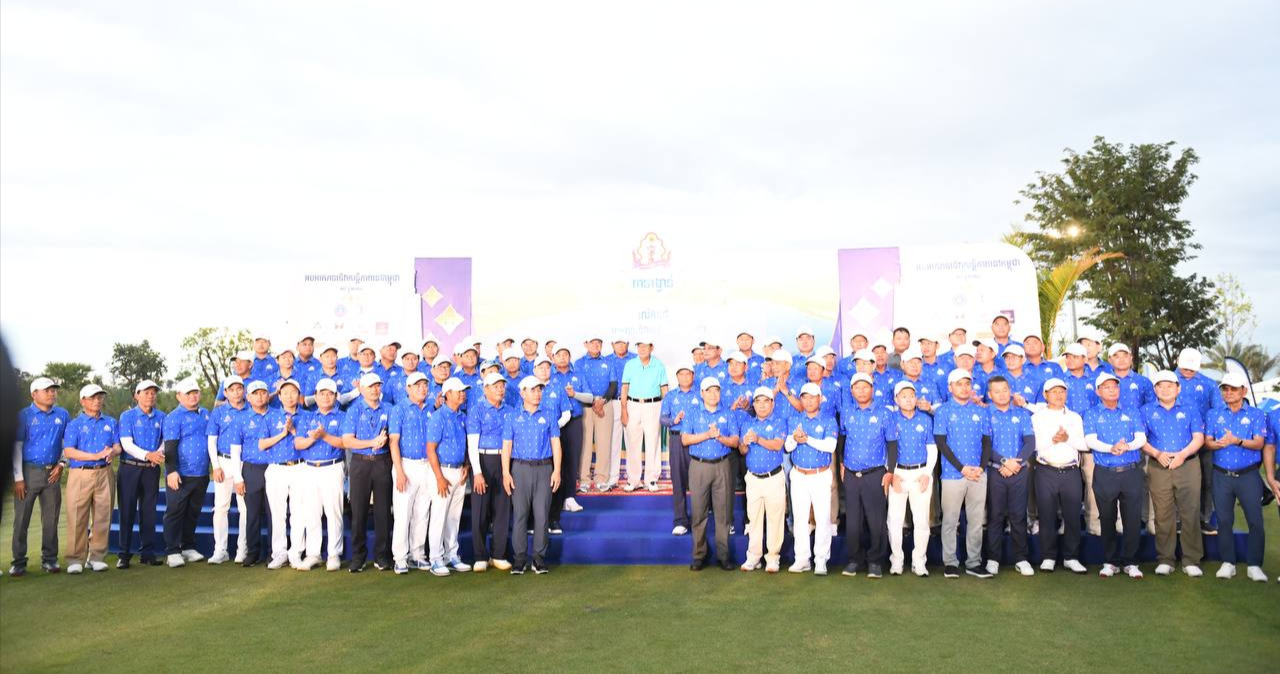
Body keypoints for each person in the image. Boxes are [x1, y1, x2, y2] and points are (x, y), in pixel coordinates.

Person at [1204, 372, 1269, 582]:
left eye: (1233, 389)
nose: (1228, 393)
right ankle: (1228, 562)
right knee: (1224, 520)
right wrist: (1218, 444)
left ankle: (1254, 565)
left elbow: (1259, 443)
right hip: (1221, 475)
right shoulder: (1214, 414)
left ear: (1244, 391)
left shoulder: (1257, 414)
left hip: (1248, 475)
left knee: (1255, 520)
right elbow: (1208, 442)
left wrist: (1237, 441)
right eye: (1225, 389)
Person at [1141, 370, 1205, 577]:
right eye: (1160, 386)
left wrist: (1182, 455)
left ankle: (1191, 559)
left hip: (1187, 464)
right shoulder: (1146, 410)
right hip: (1159, 465)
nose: (1165, 389)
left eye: (1170, 385)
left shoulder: (1190, 409)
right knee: (1163, 514)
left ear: (1178, 388)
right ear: (1155, 389)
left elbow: (1198, 437)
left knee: (1190, 511)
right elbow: (1141, 440)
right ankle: (1165, 559)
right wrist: (1157, 453)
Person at [1084, 372, 1148, 579]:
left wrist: (1126, 446)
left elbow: (1141, 437)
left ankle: (1131, 561)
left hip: (1130, 472)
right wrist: (1111, 448)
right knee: (1107, 518)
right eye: (1106, 387)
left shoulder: (1132, 411)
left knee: (1131, 518)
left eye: (1115, 386)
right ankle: (1110, 561)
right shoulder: (1092, 413)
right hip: (1105, 473)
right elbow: (1091, 440)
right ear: (1098, 391)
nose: (1112, 389)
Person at [839, 373, 898, 579]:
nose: (861, 391)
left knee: (876, 520)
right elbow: (842, 439)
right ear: (852, 390)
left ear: (872, 389)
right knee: (853, 520)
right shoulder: (847, 412)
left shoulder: (884, 413)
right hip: (852, 474)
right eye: (857, 387)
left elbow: (892, 443)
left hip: (875, 473)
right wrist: (841, 463)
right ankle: (854, 559)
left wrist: (890, 471)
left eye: (865, 387)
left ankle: (875, 561)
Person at [502, 376, 563, 575]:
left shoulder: (549, 413)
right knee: (520, 515)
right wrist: (505, 473)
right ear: (522, 393)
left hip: (544, 468)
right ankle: (519, 559)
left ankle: (539, 559)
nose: (537, 393)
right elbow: (507, 446)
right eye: (533, 390)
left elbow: (556, 443)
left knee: (541, 516)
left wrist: (557, 470)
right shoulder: (512, 416)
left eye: (539, 390)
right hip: (520, 468)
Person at [935, 369, 991, 579]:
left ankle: (973, 562)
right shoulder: (943, 411)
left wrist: (982, 467)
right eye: (959, 384)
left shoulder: (981, 411)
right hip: (953, 474)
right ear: (950, 387)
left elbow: (986, 442)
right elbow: (941, 443)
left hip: (977, 473)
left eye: (967, 384)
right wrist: (961, 468)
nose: (964, 387)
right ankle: (950, 562)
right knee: (950, 521)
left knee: (976, 521)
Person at [10, 377, 68, 576]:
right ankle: (18, 562)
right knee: (22, 519)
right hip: (28, 471)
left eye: (53, 390)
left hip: (53, 471)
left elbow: (65, 443)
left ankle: (50, 560)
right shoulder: (24, 415)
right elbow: (16, 446)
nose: (52, 393)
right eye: (47, 390)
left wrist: (62, 463)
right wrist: (18, 477)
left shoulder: (62, 414)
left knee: (51, 519)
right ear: (34, 394)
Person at [1030, 379, 1088, 574]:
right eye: (1053, 392)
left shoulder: (1075, 418)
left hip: (1071, 471)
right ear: (1045, 395)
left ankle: (1071, 557)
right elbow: (1034, 444)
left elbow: (1084, 445)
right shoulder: (1037, 417)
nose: (1058, 395)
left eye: (1062, 391)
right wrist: (1053, 440)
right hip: (1046, 470)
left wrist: (1067, 438)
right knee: (1046, 515)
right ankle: (1048, 556)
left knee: (1072, 516)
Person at [61, 384, 120, 573]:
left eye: (100, 397)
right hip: (81, 473)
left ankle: (96, 556)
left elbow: (117, 445)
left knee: (103, 515)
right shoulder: (74, 424)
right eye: (93, 397)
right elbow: (69, 451)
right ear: (83, 401)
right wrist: (94, 456)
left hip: (105, 472)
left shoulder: (110, 421)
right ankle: (75, 559)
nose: (97, 400)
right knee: (78, 516)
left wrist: (113, 452)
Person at [682, 378, 740, 571]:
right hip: (699, 466)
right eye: (709, 391)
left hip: (722, 465)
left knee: (723, 513)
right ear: (702, 393)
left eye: (716, 390)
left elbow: (735, 441)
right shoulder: (692, 413)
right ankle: (699, 555)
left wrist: (719, 437)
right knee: (698, 512)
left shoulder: (728, 414)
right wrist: (707, 435)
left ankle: (723, 556)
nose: (713, 394)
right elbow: (685, 439)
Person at [982, 377, 1036, 577]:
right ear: (990, 394)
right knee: (995, 516)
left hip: (1019, 472)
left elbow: (1030, 442)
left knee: (1018, 516)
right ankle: (993, 559)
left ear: (1010, 391)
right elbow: (984, 445)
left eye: (1005, 390)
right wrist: (1004, 461)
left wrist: (1015, 463)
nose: (1002, 394)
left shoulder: (1021, 414)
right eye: (997, 391)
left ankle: (1021, 559)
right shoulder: (984, 413)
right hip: (995, 471)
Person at [342, 372, 394, 572]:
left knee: (383, 512)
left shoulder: (388, 408)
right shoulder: (354, 410)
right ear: (362, 389)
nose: (375, 389)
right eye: (371, 386)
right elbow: (348, 440)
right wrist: (372, 442)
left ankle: (382, 556)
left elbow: (395, 433)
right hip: (360, 463)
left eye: (377, 385)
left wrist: (386, 438)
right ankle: (358, 556)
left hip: (382, 462)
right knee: (359, 511)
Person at [785, 383, 838, 575]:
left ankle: (821, 559)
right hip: (799, 474)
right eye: (805, 397)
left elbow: (830, 446)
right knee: (800, 518)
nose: (808, 401)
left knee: (823, 518)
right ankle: (802, 559)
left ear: (819, 399)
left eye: (812, 397)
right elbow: (788, 447)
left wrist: (807, 439)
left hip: (820, 474)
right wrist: (794, 437)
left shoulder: (829, 420)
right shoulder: (795, 420)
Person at [297, 378, 346, 571]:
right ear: (315, 396)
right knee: (312, 512)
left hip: (332, 467)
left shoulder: (342, 417)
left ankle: (334, 554)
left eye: (329, 393)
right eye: (322, 393)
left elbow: (344, 442)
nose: (325, 397)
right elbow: (298, 444)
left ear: (335, 396)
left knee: (334, 512)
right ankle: (313, 554)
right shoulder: (307, 417)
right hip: (310, 468)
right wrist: (313, 438)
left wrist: (324, 436)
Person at [887, 380, 935, 577]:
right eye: (903, 396)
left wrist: (927, 473)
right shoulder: (890, 419)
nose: (908, 400)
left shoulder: (925, 419)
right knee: (895, 520)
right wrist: (891, 472)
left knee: (921, 520)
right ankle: (896, 561)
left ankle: (919, 561)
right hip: (898, 473)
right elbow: (886, 448)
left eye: (911, 396)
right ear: (896, 399)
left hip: (920, 473)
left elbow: (932, 448)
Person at [116, 380, 166, 568]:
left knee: (149, 512)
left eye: (153, 392)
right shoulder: (127, 416)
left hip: (151, 469)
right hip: (130, 467)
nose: (150, 395)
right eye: (146, 392)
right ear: (137, 395)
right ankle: (124, 554)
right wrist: (148, 455)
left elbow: (164, 440)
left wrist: (157, 455)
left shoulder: (162, 416)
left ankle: (147, 553)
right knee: (127, 511)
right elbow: (126, 443)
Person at [161, 379, 211, 567]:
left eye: (195, 392)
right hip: (181, 473)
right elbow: (170, 447)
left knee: (193, 512)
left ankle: (188, 546)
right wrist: (171, 471)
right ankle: (172, 550)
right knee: (175, 512)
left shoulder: (205, 414)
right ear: (179, 396)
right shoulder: (174, 417)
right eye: (188, 393)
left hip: (201, 473)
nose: (193, 396)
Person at [258, 379, 307, 570]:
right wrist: (283, 433)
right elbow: (262, 444)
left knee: (299, 512)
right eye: (285, 393)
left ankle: (296, 552)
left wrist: (293, 431)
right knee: (277, 514)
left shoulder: (307, 417)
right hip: (276, 468)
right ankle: (279, 552)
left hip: (299, 467)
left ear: (299, 395)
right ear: (279, 396)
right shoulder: (270, 417)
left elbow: (307, 441)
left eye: (293, 392)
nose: (289, 396)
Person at [738, 387, 788, 573]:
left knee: (775, 517)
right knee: (754, 518)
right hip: (753, 478)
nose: (761, 405)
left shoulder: (779, 422)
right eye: (758, 401)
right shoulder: (747, 423)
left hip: (773, 476)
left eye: (765, 401)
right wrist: (744, 444)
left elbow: (777, 445)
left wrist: (758, 439)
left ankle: (773, 557)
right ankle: (754, 556)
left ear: (772, 403)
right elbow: (742, 451)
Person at [1174, 347, 1223, 535]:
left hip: (1203, 441)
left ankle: (1204, 519)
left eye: (1192, 368)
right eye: (1185, 367)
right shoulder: (1167, 380)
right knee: (1176, 482)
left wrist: (1210, 435)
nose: (1188, 371)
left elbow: (1216, 410)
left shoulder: (1209, 384)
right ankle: (1177, 519)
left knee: (1207, 481)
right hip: (1174, 441)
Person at [468, 372, 514, 572]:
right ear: (485, 389)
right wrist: (477, 472)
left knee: (502, 509)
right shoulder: (476, 410)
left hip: (504, 461)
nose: (500, 389)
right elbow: (472, 443)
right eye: (495, 386)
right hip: (482, 460)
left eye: (502, 386)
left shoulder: (510, 411)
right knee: (480, 510)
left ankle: (498, 554)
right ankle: (480, 555)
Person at [426, 378, 473, 576]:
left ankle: (451, 555)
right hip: (442, 471)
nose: (462, 394)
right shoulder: (438, 417)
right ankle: (435, 558)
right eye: (458, 391)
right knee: (439, 516)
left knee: (454, 517)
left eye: (463, 391)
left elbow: (464, 446)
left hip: (458, 471)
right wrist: (439, 477)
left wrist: (466, 465)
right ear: (447, 395)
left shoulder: (461, 416)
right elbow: (430, 449)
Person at [388, 371, 433, 574]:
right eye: (417, 385)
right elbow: (393, 441)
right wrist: (399, 470)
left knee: (422, 512)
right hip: (406, 464)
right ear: (408, 388)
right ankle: (400, 557)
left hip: (427, 465)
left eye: (424, 385)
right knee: (403, 512)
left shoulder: (432, 408)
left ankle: (418, 554)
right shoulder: (399, 410)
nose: (422, 388)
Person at [206, 376, 249, 564]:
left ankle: (243, 549)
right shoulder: (218, 412)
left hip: (245, 463)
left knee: (244, 507)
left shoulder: (251, 410)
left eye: (239, 388)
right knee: (221, 507)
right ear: (225, 392)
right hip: (224, 461)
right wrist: (215, 466)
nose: (236, 392)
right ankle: (220, 550)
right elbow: (211, 441)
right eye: (232, 389)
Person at [549, 345, 593, 521]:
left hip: (574, 421)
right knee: (554, 462)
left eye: (565, 354)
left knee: (572, 460)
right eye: (558, 355)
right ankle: (555, 499)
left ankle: (570, 497)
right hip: (554, 425)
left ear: (569, 357)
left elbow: (590, 398)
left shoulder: (578, 375)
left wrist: (575, 394)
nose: (562, 358)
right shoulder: (549, 377)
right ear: (553, 358)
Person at [231, 381, 272, 566]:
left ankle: (274, 552)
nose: (260, 396)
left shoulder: (277, 415)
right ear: (248, 397)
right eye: (255, 393)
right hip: (251, 468)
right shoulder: (241, 419)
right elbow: (235, 450)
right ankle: (253, 552)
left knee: (274, 513)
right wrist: (238, 477)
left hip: (273, 468)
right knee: (252, 513)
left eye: (263, 393)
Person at [619, 339, 668, 492]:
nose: (642, 349)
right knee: (633, 442)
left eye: (645, 346)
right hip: (633, 405)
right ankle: (633, 480)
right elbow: (625, 388)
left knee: (653, 441)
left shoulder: (659, 365)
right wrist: (624, 410)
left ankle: (651, 479)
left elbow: (664, 389)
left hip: (653, 405)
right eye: (639, 346)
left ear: (651, 347)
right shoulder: (630, 364)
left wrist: (666, 410)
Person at [660, 364, 701, 535]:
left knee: (699, 482)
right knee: (678, 480)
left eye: (688, 374)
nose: (684, 377)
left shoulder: (701, 394)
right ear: (676, 377)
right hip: (677, 439)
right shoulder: (670, 396)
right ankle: (681, 521)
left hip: (697, 441)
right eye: (681, 374)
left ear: (693, 376)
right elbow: (663, 418)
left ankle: (699, 521)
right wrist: (674, 421)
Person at [575, 337, 617, 493]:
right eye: (592, 342)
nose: (595, 345)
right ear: (585, 344)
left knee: (604, 443)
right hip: (585, 406)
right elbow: (579, 385)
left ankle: (601, 479)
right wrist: (593, 400)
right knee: (585, 444)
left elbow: (613, 385)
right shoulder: (578, 363)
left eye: (598, 342)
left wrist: (602, 400)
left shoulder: (608, 362)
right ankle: (584, 479)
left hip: (605, 404)